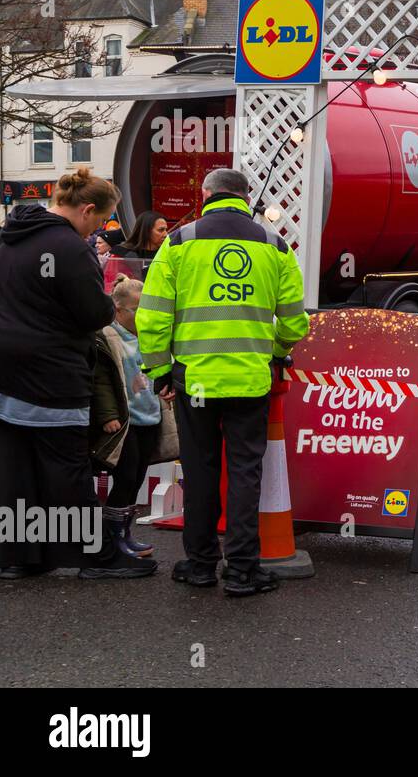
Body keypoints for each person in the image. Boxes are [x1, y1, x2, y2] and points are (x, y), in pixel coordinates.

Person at [138, 168, 309, 597]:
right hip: (251, 381)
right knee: (245, 473)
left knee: (199, 472)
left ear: (207, 194)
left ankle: (199, 566)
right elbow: (293, 321)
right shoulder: (273, 244)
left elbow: (153, 314)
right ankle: (242, 570)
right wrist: (274, 351)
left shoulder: (178, 243)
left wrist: (160, 370)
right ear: (244, 196)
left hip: (194, 382)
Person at [0, 169, 157, 580]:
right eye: (98, 219)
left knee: (16, 468)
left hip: (7, 371)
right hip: (53, 372)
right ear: (86, 210)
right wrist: (107, 306)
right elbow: (92, 313)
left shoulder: (8, 237)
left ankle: (19, 556)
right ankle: (96, 556)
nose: (97, 229)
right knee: (67, 469)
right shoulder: (68, 247)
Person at [91, 275, 165, 558]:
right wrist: (108, 415)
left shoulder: (149, 335)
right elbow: (100, 381)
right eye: (137, 309)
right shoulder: (107, 337)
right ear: (119, 310)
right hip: (124, 423)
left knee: (137, 480)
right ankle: (112, 537)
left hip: (150, 417)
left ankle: (125, 532)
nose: (143, 314)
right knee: (125, 477)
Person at [104, 210, 168, 286]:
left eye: (166, 230)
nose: (165, 234)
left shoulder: (168, 254)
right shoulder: (121, 254)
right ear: (146, 231)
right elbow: (110, 284)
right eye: (161, 230)